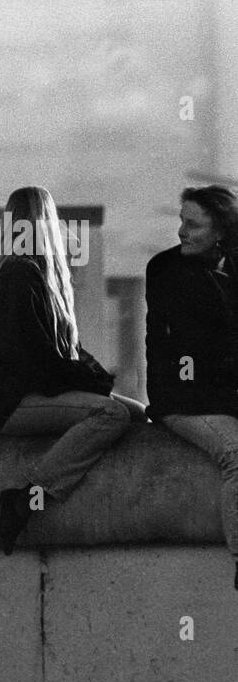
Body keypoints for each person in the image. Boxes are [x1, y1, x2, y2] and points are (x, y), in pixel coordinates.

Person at [0, 186, 144, 555]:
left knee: (136, 414)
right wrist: (98, 384)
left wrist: (96, 379)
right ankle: (28, 498)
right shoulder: (21, 275)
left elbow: (59, 353)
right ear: (49, 226)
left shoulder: (18, 273)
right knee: (110, 414)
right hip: (4, 406)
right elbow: (43, 362)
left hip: (18, 396)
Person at [145, 185, 238, 591]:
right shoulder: (167, 270)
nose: (181, 231)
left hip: (222, 396)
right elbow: (187, 354)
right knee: (236, 455)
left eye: (192, 224)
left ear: (220, 230)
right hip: (185, 401)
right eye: (182, 221)